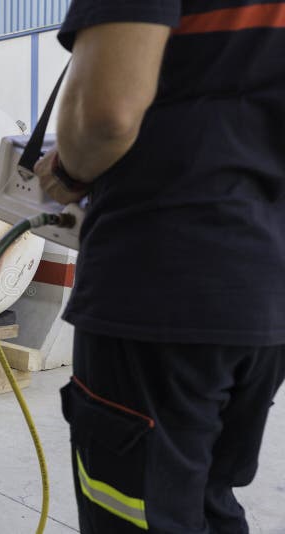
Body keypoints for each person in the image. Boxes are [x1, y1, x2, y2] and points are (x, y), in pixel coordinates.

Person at [32, 2, 285, 533]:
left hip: (163, 283)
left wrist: (65, 172)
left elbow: (109, 113)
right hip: (267, 299)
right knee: (209, 501)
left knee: (137, 513)